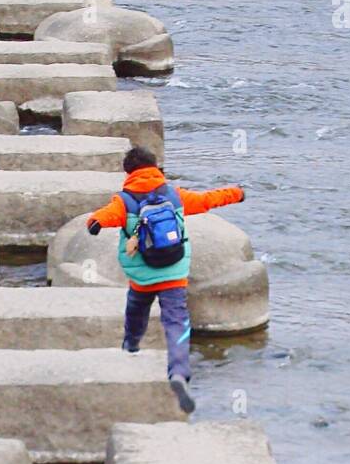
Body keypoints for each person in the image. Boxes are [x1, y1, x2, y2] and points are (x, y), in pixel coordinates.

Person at [86, 147, 245, 414]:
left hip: (142, 276)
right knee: (176, 322)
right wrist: (237, 193)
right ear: (154, 167)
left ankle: (131, 346)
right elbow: (207, 200)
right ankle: (179, 373)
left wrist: (94, 224)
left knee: (136, 309)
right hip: (173, 272)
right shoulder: (175, 195)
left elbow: (100, 218)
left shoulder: (123, 201)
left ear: (129, 172)